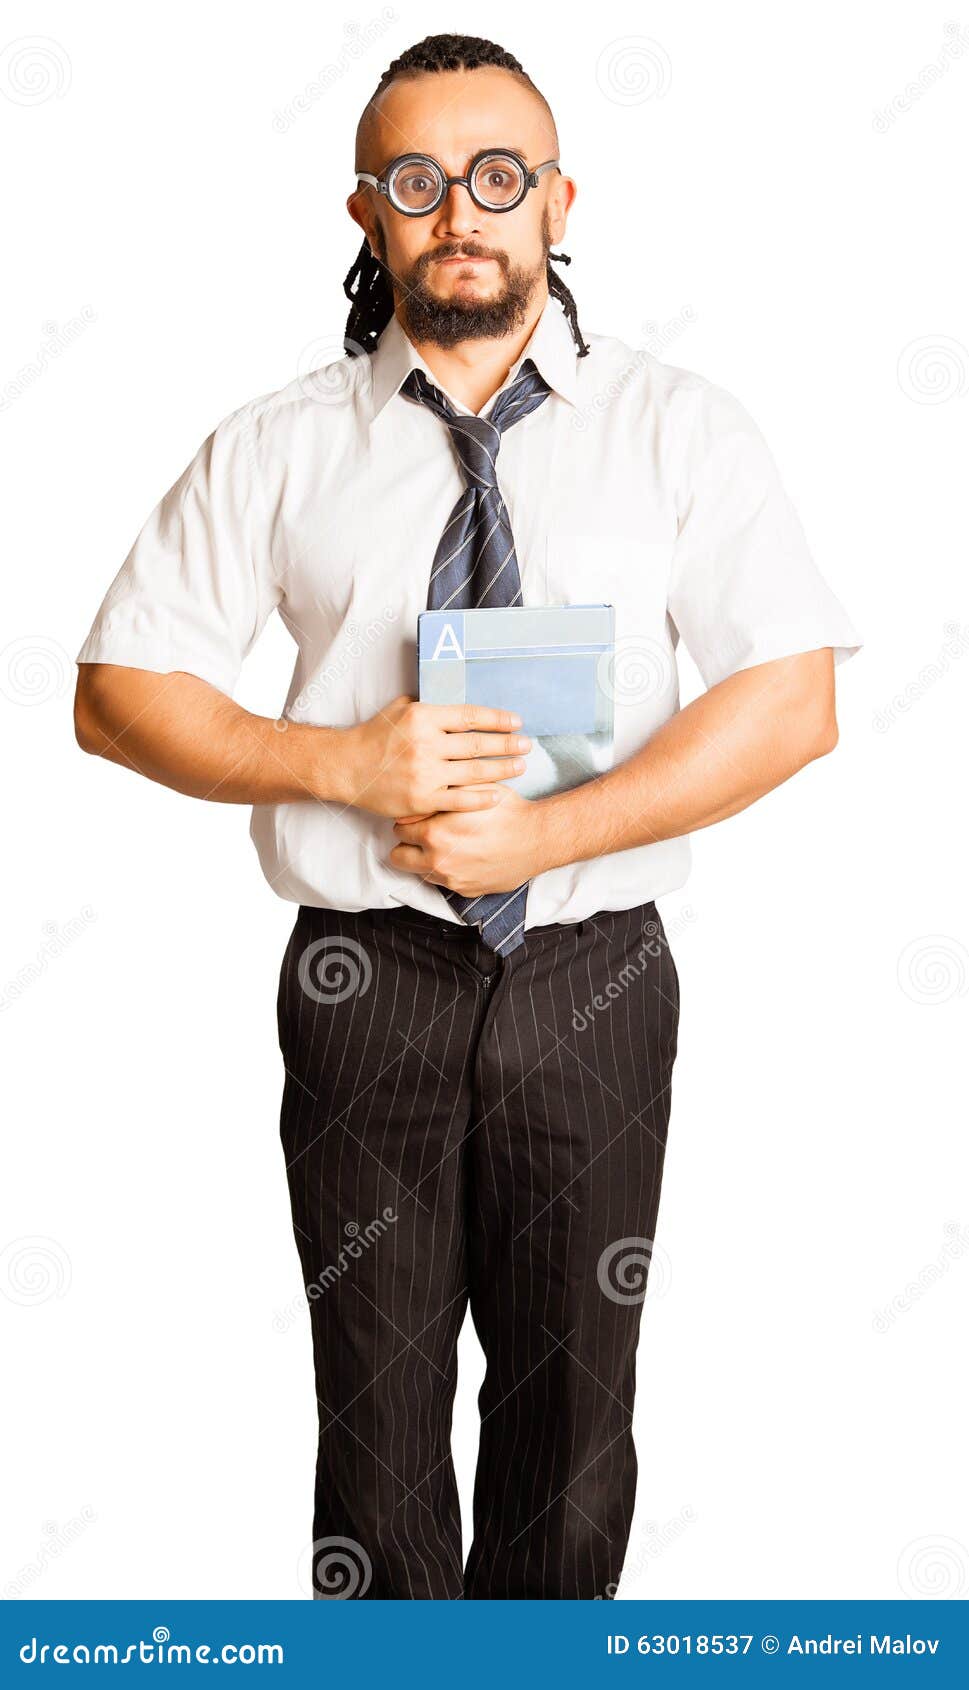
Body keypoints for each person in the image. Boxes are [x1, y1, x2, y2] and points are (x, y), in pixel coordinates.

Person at [73, 33, 863, 1600]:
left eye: (498, 177)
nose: (464, 212)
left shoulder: (677, 430)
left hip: (595, 983)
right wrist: (338, 766)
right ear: (367, 212)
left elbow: (794, 696)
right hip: (365, 983)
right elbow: (117, 690)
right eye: (420, 180)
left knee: (572, 1430)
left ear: (557, 200)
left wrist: (548, 840)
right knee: (373, 1435)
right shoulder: (280, 445)